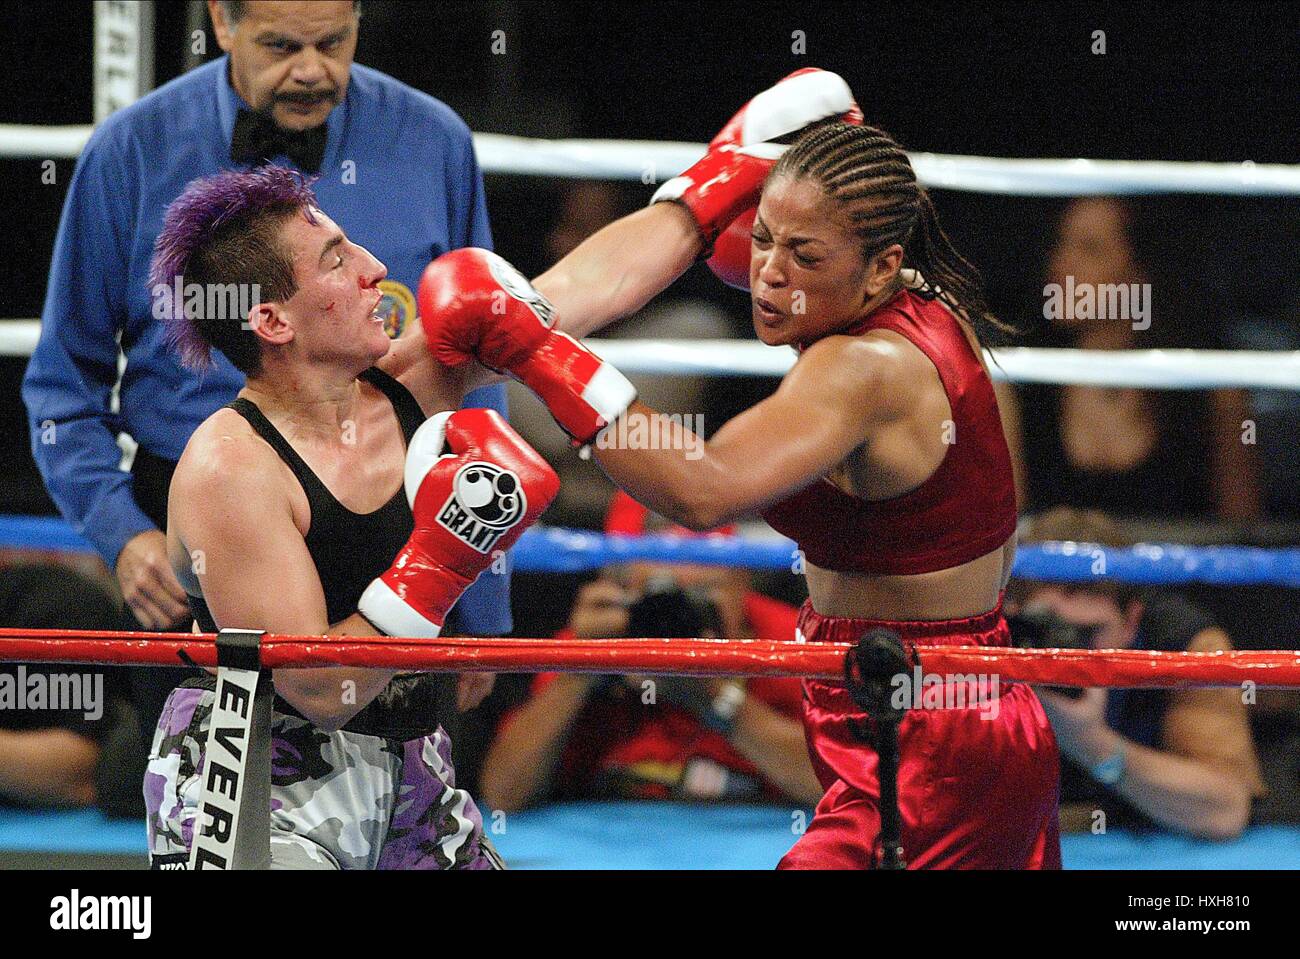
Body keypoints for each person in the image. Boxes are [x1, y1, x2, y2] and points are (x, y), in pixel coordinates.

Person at [418, 69, 1061, 868]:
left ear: (879, 265)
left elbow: (705, 486)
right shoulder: (916, 305)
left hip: (930, 733)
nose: (769, 273)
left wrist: (537, 352)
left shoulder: (864, 368)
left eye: (802, 254)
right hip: (937, 706)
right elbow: (683, 263)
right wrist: (711, 195)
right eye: (760, 240)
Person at [20, 0, 511, 740]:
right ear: (221, 21)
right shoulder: (132, 150)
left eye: (333, 42)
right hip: (199, 526)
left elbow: (480, 348)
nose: (312, 70)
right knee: (213, 818)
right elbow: (63, 388)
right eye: (282, 44)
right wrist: (123, 532)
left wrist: (481, 600)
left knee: (416, 811)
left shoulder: (431, 139)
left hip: (395, 507)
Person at [142, 166, 561, 869]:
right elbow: (320, 688)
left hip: (413, 761)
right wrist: (443, 558)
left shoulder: (403, 390)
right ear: (271, 319)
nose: (374, 268)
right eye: (337, 258)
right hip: (258, 778)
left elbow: (579, 292)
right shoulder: (230, 468)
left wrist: (708, 192)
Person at [480, 493, 820, 811]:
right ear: (611, 589)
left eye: (698, 594)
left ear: (741, 580)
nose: (671, 617)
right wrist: (578, 672)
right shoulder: (590, 643)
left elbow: (838, 788)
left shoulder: (792, 646)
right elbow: (503, 797)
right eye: (655, 596)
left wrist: (715, 698)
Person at [1010, 508, 1266, 840]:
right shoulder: (987, 647)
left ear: (1132, 620)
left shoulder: (1185, 647)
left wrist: (1091, 743)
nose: (1070, 653)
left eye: (1088, 633)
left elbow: (1225, 811)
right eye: (1052, 630)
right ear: (1012, 615)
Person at [1002, 197, 1261, 520]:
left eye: (1090, 249)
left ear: (1141, 274)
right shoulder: (1020, 380)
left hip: (1180, 570)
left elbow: (1243, 533)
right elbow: (1006, 536)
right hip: (1052, 572)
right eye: (1060, 244)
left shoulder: (1212, 386)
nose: (1061, 264)